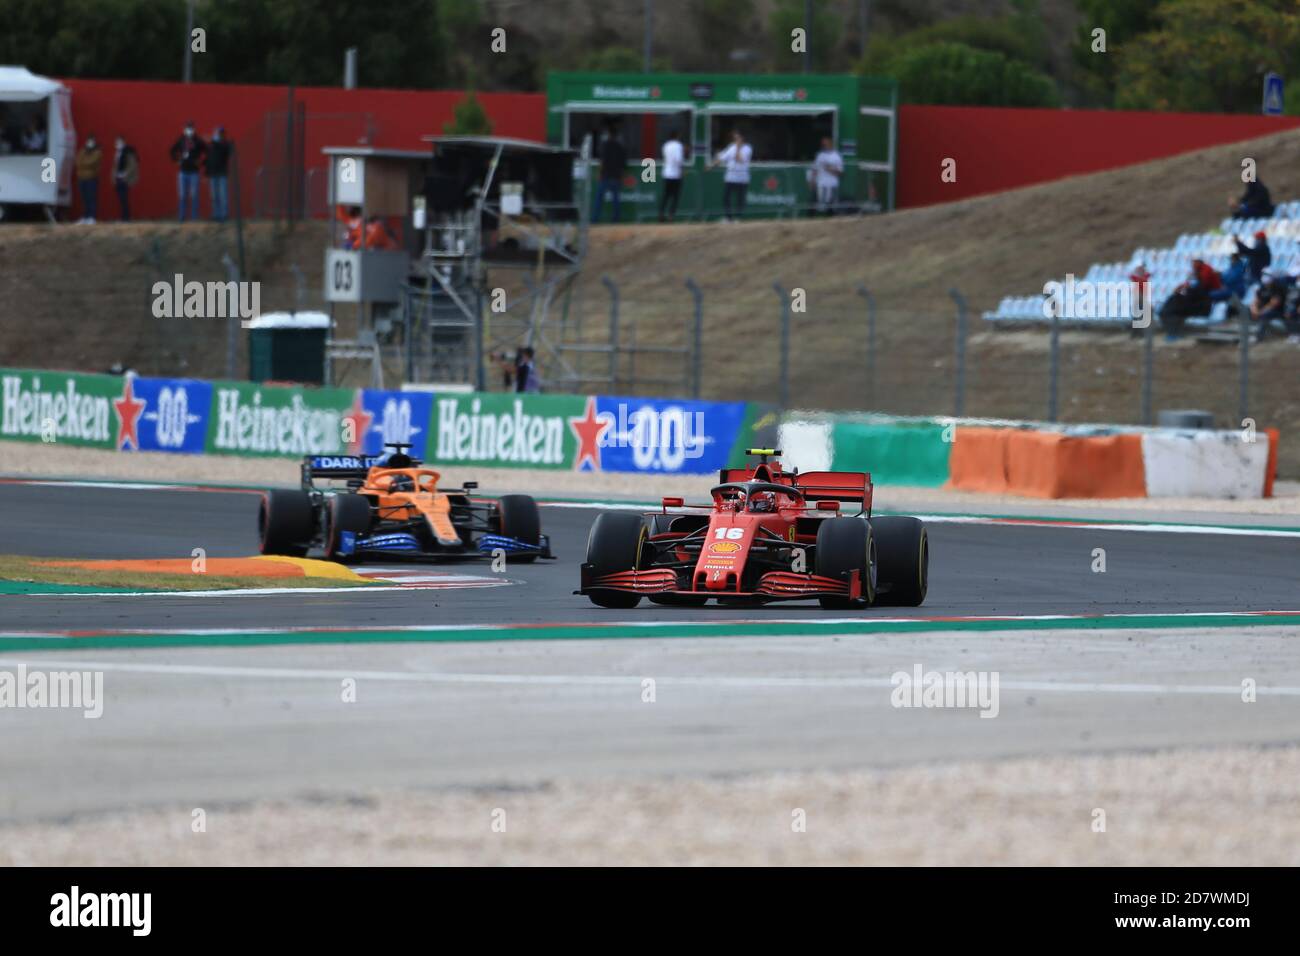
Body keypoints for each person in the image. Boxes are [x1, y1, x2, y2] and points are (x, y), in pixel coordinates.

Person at [1158, 258, 1221, 339]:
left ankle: (1174, 333)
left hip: (1199, 305)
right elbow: (1189, 290)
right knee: (1170, 305)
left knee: (1171, 310)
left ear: (1199, 262)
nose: (1192, 265)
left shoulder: (1205, 275)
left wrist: (1185, 289)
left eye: (1194, 263)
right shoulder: (1197, 276)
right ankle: (1173, 332)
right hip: (1193, 302)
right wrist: (1181, 289)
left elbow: (1198, 292)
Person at [710, 129, 752, 221]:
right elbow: (722, 158)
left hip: (742, 178)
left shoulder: (748, 148)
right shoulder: (731, 147)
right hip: (730, 178)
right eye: (735, 138)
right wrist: (711, 166)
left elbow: (739, 159)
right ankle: (728, 217)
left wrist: (737, 148)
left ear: (742, 138)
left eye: (737, 137)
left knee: (740, 199)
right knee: (726, 198)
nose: (736, 139)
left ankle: (738, 218)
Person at [169, 121, 207, 222]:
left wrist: (201, 162)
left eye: (190, 128)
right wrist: (177, 160)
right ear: (184, 129)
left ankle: (194, 217)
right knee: (182, 195)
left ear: (193, 129)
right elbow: (172, 150)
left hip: (194, 172)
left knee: (194, 195)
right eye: (187, 128)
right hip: (183, 172)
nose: (189, 130)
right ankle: (182, 216)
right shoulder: (181, 140)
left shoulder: (198, 140)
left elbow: (207, 150)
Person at [592, 122, 627, 224]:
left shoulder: (605, 145)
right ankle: (616, 220)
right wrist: (622, 175)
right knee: (616, 199)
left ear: (609, 134)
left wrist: (599, 173)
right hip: (616, 176)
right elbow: (623, 164)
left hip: (605, 175)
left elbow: (602, 161)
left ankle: (595, 219)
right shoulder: (621, 147)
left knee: (599, 199)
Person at [811, 136, 844, 215]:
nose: (824, 146)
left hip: (832, 184)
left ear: (830, 144)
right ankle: (821, 217)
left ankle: (832, 216)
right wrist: (812, 180)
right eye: (823, 144)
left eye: (826, 144)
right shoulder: (820, 155)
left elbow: (840, 172)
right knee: (821, 204)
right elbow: (815, 169)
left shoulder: (836, 156)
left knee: (832, 203)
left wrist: (829, 169)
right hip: (821, 183)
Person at [74, 135, 103, 224]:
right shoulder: (83, 151)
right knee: (84, 199)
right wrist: (84, 163)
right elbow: (78, 162)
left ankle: (92, 217)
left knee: (91, 198)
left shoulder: (97, 152)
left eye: (91, 141)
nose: (89, 143)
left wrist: (84, 163)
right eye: (88, 141)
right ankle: (85, 217)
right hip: (81, 178)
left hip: (91, 178)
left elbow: (91, 162)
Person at [658, 128, 685, 222]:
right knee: (675, 196)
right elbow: (679, 159)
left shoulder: (665, 145)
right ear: (677, 136)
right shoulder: (678, 145)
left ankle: (661, 213)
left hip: (666, 173)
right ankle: (671, 215)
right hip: (676, 174)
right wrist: (682, 170)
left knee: (665, 195)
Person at [206, 126, 231, 222]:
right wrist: (207, 173)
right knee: (214, 196)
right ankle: (216, 214)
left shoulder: (226, 144)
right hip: (213, 173)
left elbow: (226, 152)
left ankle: (224, 214)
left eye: (221, 133)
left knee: (223, 195)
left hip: (222, 173)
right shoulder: (211, 145)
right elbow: (209, 159)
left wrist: (216, 142)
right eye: (217, 133)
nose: (219, 135)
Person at [112, 136, 140, 222]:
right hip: (118, 178)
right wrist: (114, 176)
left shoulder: (128, 152)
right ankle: (123, 217)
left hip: (125, 179)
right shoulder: (117, 153)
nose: (118, 144)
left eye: (119, 142)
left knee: (124, 198)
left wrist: (125, 174)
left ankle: (126, 217)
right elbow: (115, 165)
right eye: (116, 143)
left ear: (123, 142)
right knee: (121, 199)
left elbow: (132, 165)